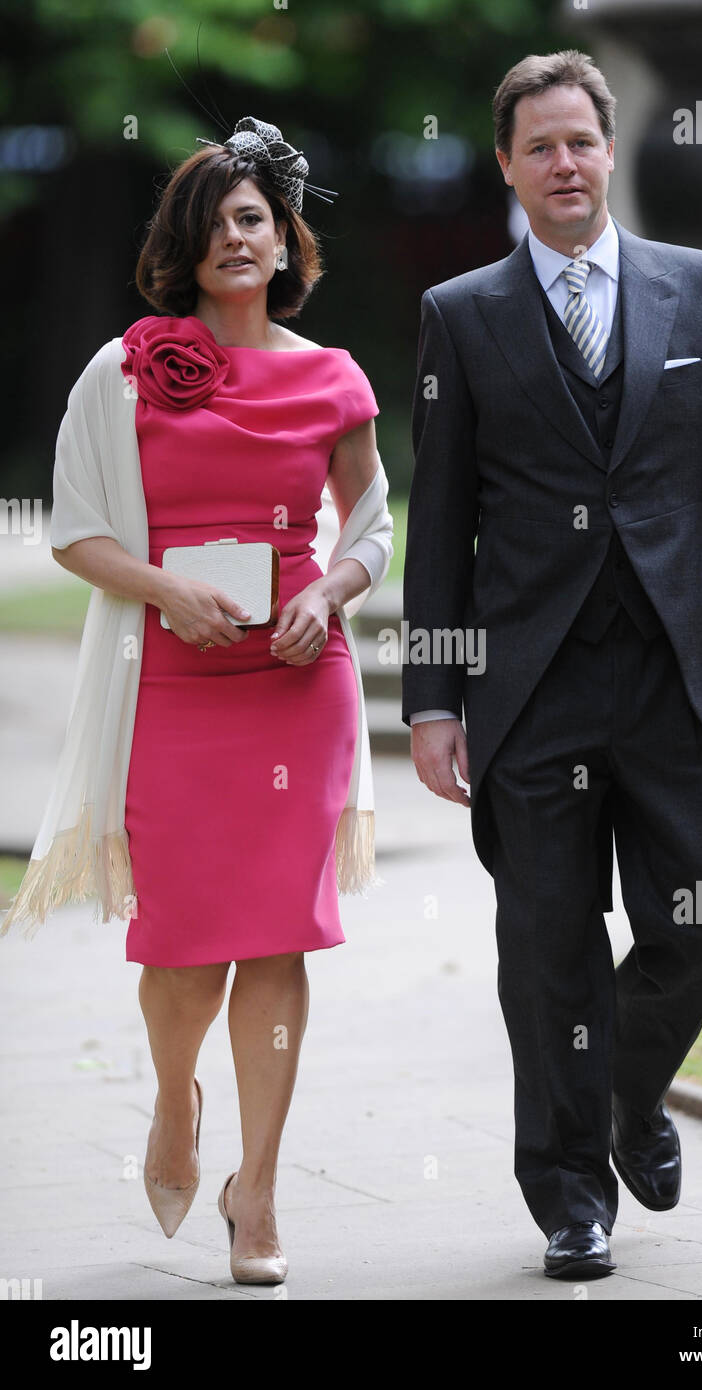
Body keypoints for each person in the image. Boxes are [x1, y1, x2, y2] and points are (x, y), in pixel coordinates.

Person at [402, 51, 702, 1280]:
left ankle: (629, 1096)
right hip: (530, 684)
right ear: (508, 167)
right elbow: (440, 523)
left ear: (608, 144)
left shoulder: (701, 289)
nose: (565, 164)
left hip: (675, 667)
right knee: (547, 947)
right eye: (539, 147)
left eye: (581, 141)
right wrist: (435, 693)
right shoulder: (462, 315)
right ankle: (570, 1201)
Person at [2, 117, 393, 1286]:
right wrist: (164, 586)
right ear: (186, 244)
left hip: (293, 679)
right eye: (213, 220)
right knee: (180, 950)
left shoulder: (334, 377)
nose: (234, 235)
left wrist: (331, 587)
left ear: (284, 242)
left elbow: (375, 522)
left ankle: (258, 1192)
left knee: (278, 939)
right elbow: (73, 528)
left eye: (253, 217)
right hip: (169, 682)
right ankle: (174, 1105)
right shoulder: (122, 370)